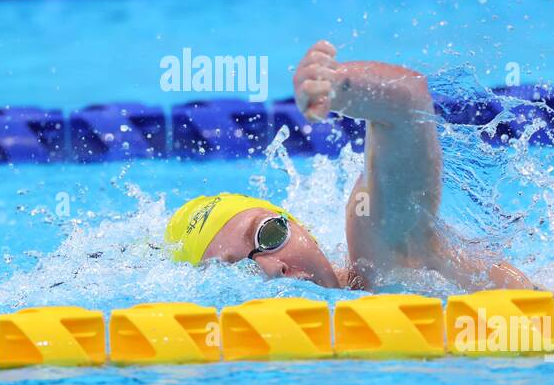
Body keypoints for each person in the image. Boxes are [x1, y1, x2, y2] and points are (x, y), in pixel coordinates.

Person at [165, 40, 531, 291]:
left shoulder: (380, 259)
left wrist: (338, 86)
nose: (271, 267)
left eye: (269, 236)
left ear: (298, 225)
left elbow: (408, 103)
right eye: (240, 268)